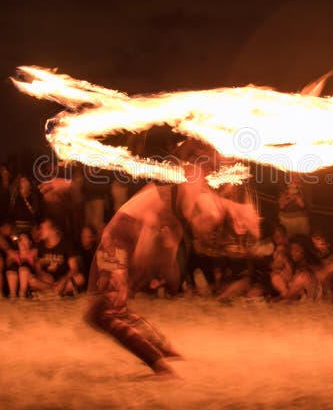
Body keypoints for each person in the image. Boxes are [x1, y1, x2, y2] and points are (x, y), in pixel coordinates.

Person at [85, 161, 260, 376]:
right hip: (125, 235)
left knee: (102, 314)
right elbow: (165, 268)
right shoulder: (182, 207)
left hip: (120, 237)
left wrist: (143, 266)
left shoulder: (181, 208)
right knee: (115, 310)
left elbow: (156, 260)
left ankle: (161, 365)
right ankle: (168, 353)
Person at [33, 219, 85, 296]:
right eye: (41, 228)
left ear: (54, 231)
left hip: (63, 278)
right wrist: (41, 273)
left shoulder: (66, 245)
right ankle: (57, 292)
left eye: (44, 228)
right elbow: (37, 267)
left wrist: (63, 281)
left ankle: (52, 292)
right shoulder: (40, 246)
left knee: (80, 278)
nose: (41, 231)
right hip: (47, 281)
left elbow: (74, 268)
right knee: (32, 280)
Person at [5, 232, 38, 298]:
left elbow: (37, 266)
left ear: (30, 242)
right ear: (18, 243)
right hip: (15, 281)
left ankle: (22, 293)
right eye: (20, 240)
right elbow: (7, 266)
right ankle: (12, 294)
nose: (22, 242)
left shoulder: (33, 252)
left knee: (23, 268)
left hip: (28, 281)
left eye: (25, 239)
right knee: (12, 268)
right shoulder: (13, 253)